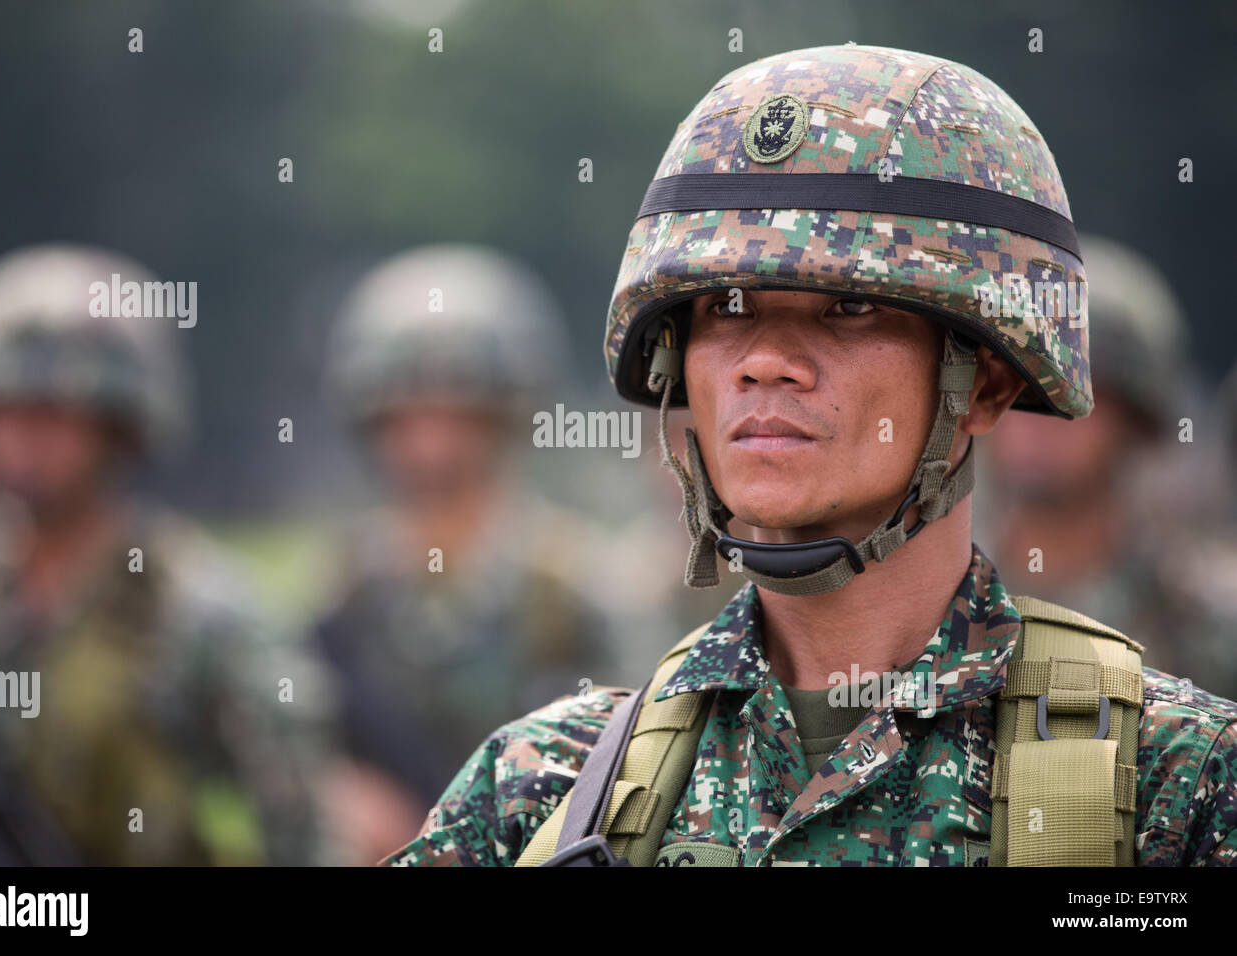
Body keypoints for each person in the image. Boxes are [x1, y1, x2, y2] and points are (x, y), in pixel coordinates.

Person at [383, 44, 1236, 867]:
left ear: (985, 386)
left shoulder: (1176, 785)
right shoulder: (542, 792)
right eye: (726, 306)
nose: (764, 359)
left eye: (852, 308)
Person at [0, 243, 324, 865]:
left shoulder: (199, 612)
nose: (21, 437)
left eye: (54, 412)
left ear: (120, 425)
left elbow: (300, 828)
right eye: (1, 410)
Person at [310, 243, 621, 863]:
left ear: (503, 416)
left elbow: (644, 766)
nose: (430, 439)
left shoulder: (574, 588)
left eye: (459, 413)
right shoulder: (348, 592)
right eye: (408, 413)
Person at [977, 235, 1237, 700]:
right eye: (1020, 379)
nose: (1040, 414)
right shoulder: (930, 600)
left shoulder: (1205, 626)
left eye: (1072, 385)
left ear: (1136, 423)